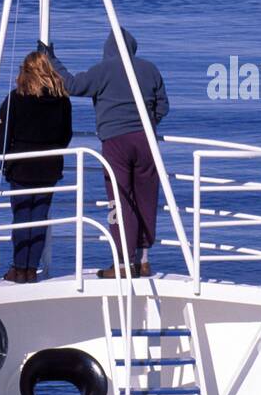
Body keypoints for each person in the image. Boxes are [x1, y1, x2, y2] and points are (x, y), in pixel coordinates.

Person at [40, 28, 168, 279]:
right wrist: (148, 124)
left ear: (108, 49)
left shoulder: (103, 70)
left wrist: (52, 59)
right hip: (146, 142)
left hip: (116, 142)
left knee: (120, 202)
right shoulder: (150, 69)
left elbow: (71, 85)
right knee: (146, 198)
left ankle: (122, 263)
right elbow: (163, 105)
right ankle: (143, 261)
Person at [0, 51, 72, 284]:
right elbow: (65, 135)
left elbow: (3, 133)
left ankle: (19, 267)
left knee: (21, 217)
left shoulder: (15, 99)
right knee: (39, 217)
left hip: (21, 165)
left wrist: (4, 158)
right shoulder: (62, 100)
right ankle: (30, 269)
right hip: (48, 165)